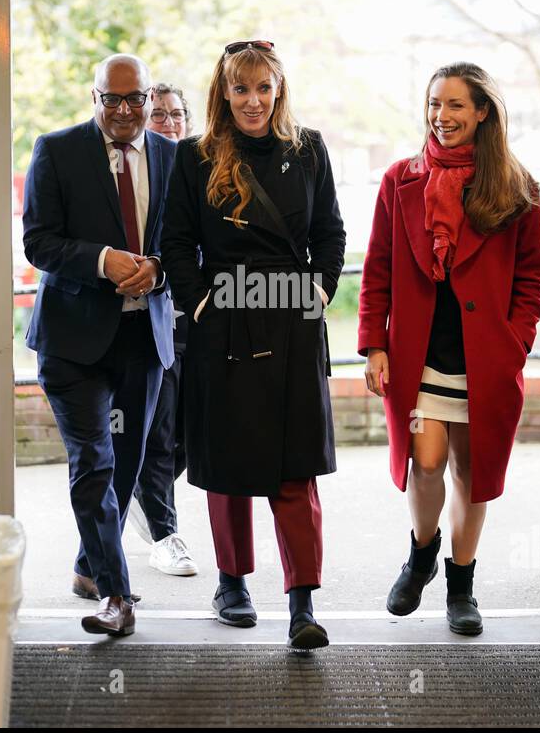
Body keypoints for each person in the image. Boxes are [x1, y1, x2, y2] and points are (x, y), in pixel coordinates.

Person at [162, 41, 346, 649]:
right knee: (229, 468)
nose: (253, 100)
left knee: (296, 471)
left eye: (263, 87)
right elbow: (176, 241)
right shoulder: (195, 156)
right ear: (223, 93)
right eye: (241, 89)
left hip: (291, 322)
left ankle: (302, 603)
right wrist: (204, 306)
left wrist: (317, 295)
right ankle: (232, 584)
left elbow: (331, 233)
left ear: (279, 89)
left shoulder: (309, 148)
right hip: (225, 325)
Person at [358, 61, 540, 636]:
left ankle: (460, 586)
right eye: (434, 104)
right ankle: (421, 553)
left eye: (456, 105)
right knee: (427, 462)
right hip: (420, 357)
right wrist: (374, 345)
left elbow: (532, 277)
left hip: (486, 358)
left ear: (483, 111)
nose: (441, 116)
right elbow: (378, 269)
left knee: (471, 471)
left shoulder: (515, 186)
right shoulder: (400, 180)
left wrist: (515, 341)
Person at [22, 54, 176, 637]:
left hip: (143, 335)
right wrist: (104, 261)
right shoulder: (56, 150)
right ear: (94, 99)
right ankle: (116, 595)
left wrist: (159, 269)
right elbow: (39, 243)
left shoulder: (171, 155)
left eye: (133, 99)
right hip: (72, 341)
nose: (122, 111)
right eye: (110, 99)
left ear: (148, 98)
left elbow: (188, 246)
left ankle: (90, 565)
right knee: (94, 463)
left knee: (127, 467)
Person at [127, 82, 200, 578]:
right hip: (154, 318)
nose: (170, 122)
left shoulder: (198, 170)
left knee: (191, 434)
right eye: (159, 115)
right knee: (159, 428)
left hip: (196, 319)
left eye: (177, 114)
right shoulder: (137, 175)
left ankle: (135, 492)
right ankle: (164, 531)